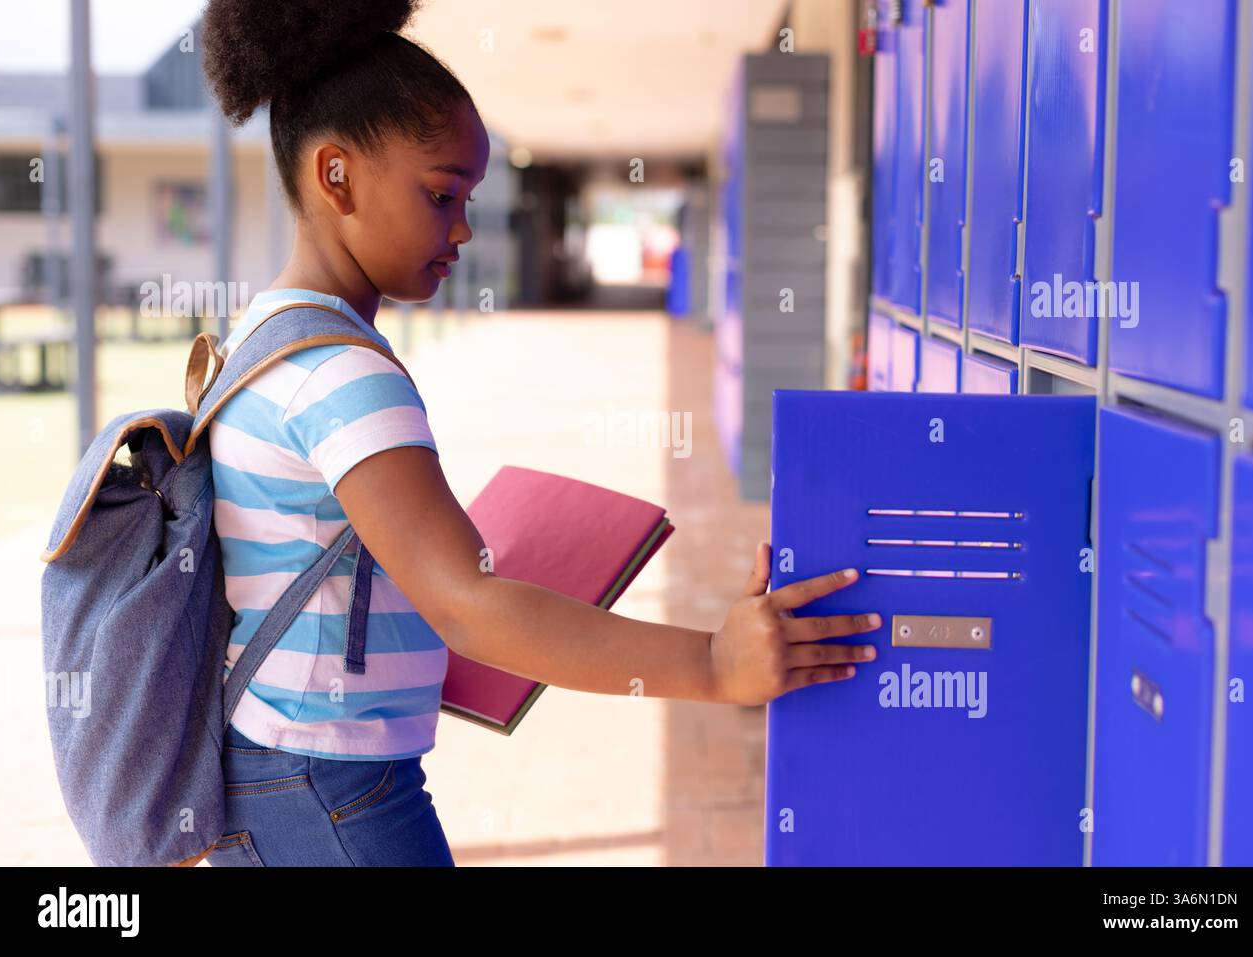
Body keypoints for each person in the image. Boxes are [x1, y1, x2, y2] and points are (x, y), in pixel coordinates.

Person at [198, 0, 880, 867]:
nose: (463, 229)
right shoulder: (343, 371)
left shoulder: (268, 336)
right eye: (441, 193)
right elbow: (466, 606)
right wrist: (714, 663)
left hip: (286, 773)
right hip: (328, 789)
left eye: (469, 198)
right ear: (336, 176)